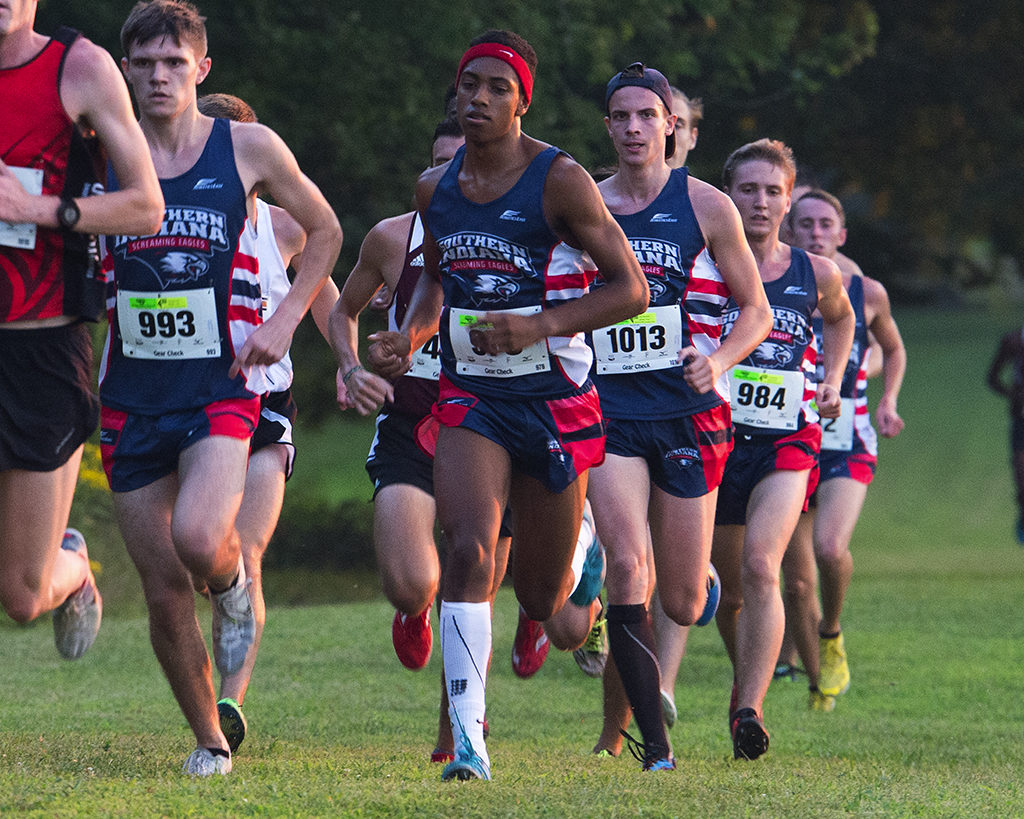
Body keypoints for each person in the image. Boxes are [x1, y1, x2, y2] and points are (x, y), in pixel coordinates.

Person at [368, 30, 648, 781]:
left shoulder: (559, 180)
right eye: (469, 86)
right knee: (467, 549)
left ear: (523, 101)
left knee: (542, 594)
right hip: (474, 395)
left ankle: (582, 555)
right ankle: (468, 738)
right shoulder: (437, 188)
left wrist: (541, 325)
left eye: (497, 87)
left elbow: (632, 288)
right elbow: (433, 278)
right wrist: (410, 334)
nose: (479, 99)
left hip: (555, 395)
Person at [100, 0, 341, 776]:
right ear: (125, 69)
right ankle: (210, 737)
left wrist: (284, 320)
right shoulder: (102, 152)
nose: (160, 76)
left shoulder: (246, 147)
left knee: (201, 540)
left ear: (202, 70)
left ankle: (235, 585)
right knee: (165, 589)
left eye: (175, 63)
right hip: (131, 392)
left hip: (222, 384)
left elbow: (327, 232)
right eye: (146, 64)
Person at [583, 64, 771, 771]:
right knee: (630, 567)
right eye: (621, 116)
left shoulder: (708, 206)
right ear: (609, 126)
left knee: (686, 598)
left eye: (646, 116)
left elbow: (756, 311)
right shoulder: (586, 205)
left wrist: (719, 361)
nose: (633, 128)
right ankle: (653, 747)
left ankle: (693, 583)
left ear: (671, 124)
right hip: (613, 411)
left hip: (690, 412)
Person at [0, 0, 163, 661]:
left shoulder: (81, 69)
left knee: (20, 595)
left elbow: (146, 206)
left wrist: (35, 208)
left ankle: (71, 568)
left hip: (43, 345)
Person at [193, 92, 342, 753]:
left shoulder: (287, 226)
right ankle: (201, 686)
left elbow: (327, 299)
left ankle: (230, 700)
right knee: (200, 561)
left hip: (264, 410)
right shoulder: (177, 214)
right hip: (190, 403)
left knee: (246, 553)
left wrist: (348, 360)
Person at [712, 139, 854, 760]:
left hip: (788, 438)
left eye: (773, 191)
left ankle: (750, 706)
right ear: (727, 197)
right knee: (722, 588)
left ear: (788, 200)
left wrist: (831, 378)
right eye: (748, 189)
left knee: (764, 566)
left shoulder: (817, 272)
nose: (761, 201)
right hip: (713, 439)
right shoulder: (701, 263)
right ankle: (744, 674)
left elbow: (842, 319)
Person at [775, 189, 906, 710]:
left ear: (842, 234)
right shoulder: (772, 280)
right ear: (790, 229)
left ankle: (832, 632)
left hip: (848, 440)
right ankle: (814, 677)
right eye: (804, 223)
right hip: (789, 434)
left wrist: (888, 400)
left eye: (826, 224)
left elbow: (892, 348)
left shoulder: (866, 291)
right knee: (797, 580)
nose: (815, 232)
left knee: (830, 549)